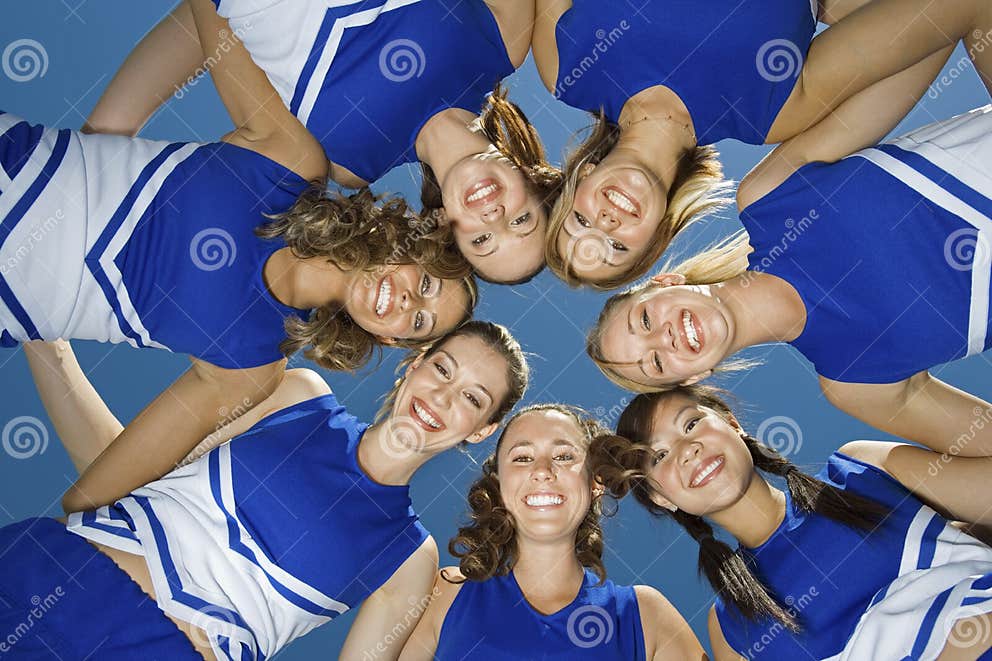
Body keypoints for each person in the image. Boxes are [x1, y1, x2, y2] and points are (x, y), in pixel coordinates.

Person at [4, 321, 528, 660]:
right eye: (441, 368)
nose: (441, 394)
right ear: (414, 364)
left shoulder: (410, 559)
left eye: (472, 398)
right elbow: (124, 470)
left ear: (482, 431)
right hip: (51, 571)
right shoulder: (296, 395)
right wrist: (45, 341)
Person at [588, 42, 992, 446]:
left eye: (644, 321)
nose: (665, 338)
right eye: (656, 362)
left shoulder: (770, 197)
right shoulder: (855, 384)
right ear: (692, 378)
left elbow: (920, 39)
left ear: (667, 282)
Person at [90, 0, 562, 284]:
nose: (496, 218)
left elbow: (218, 40)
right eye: (522, 220)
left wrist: (105, 132)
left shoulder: (343, 165)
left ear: (444, 224)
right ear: (532, 178)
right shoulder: (504, 38)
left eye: (482, 240)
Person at [534, 0, 992, 288]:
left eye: (580, 220)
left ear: (581, 177)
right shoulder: (768, 114)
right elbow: (952, 10)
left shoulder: (568, 70)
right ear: (657, 234)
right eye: (617, 247)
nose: (607, 222)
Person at [595, 385, 992, 659]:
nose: (687, 450)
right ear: (663, 498)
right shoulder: (731, 624)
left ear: (732, 424)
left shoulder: (860, 472)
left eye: (691, 424)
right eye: (659, 457)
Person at [400, 404, 705, 660]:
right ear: (498, 485)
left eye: (564, 456)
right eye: (522, 458)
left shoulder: (644, 614)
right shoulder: (446, 592)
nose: (543, 470)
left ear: (595, 482)